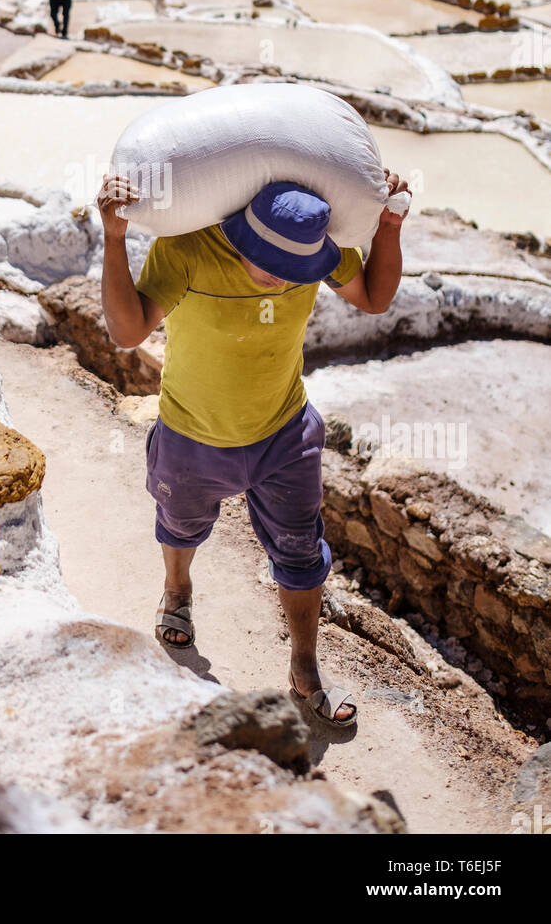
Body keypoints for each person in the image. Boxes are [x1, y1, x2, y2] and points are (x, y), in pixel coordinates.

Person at [97, 170, 411, 726]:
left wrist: (388, 224)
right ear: (241, 234)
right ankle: (177, 589)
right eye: (268, 262)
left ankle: (305, 666)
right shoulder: (187, 250)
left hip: (284, 435)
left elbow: (375, 297)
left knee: (301, 553)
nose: (278, 278)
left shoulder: (317, 254)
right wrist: (115, 238)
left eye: (293, 271)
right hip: (193, 434)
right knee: (180, 526)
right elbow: (128, 331)